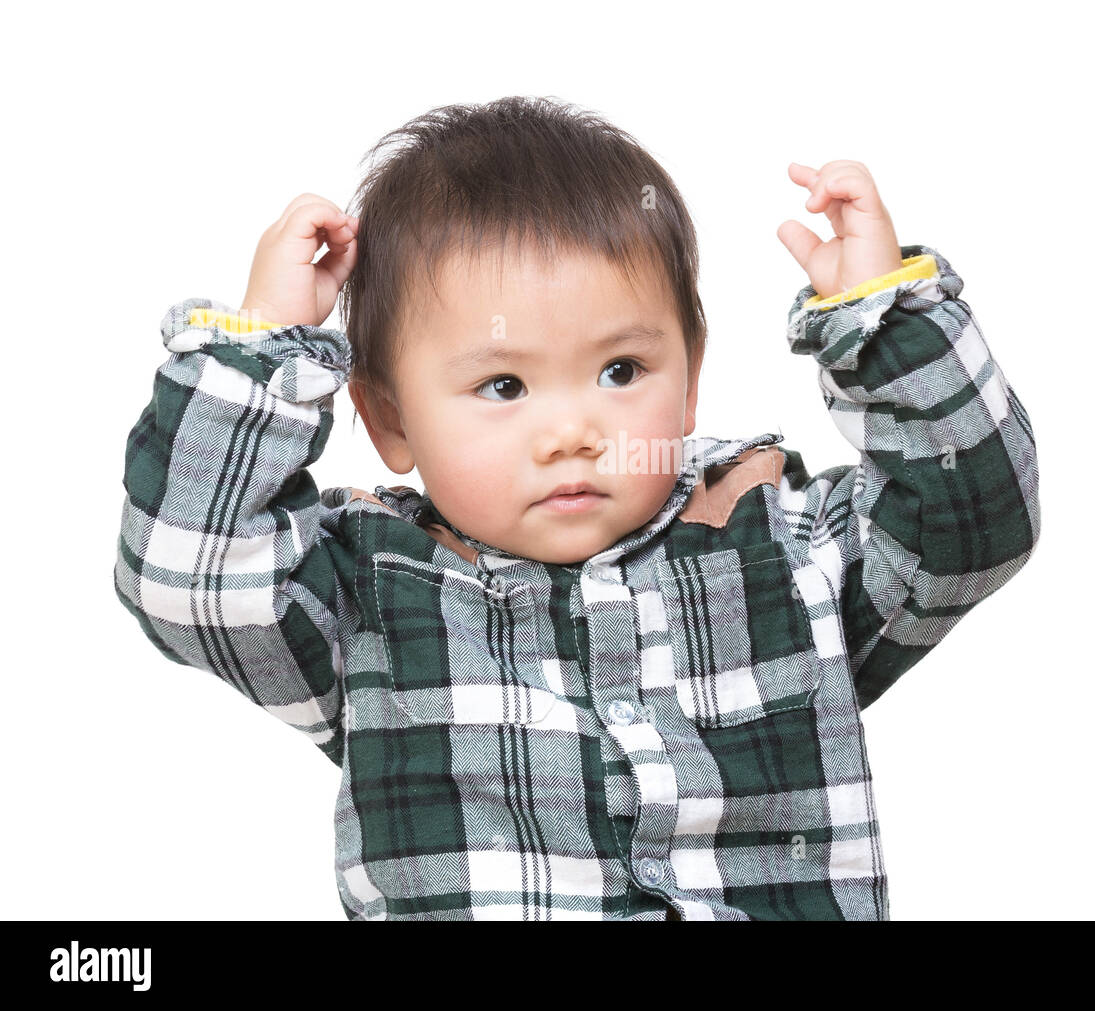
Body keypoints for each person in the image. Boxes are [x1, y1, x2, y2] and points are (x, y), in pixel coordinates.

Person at [113, 95, 1040, 920]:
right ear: (391, 420)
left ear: (689, 384)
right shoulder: (369, 597)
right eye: (504, 385)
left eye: (621, 371)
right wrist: (261, 356)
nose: (572, 432)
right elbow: (186, 576)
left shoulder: (784, 544)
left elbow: (973, 523)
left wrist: (882, 318)